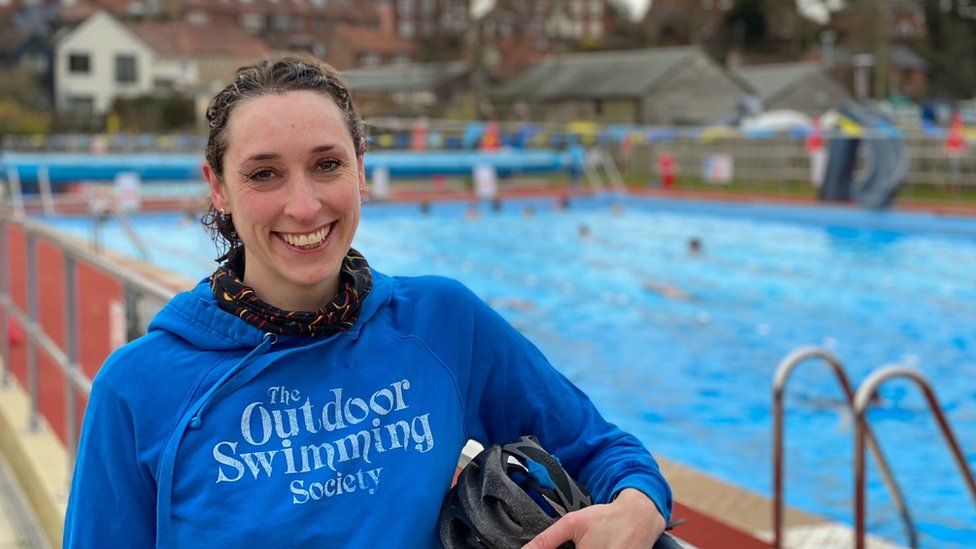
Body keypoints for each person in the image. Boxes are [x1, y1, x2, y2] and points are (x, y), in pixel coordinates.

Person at [63, 58, 671, 548]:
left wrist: (638, 509)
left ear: (361, 170)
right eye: (264, 174)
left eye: (326, 164)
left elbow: (603, 448)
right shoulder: (138, 388)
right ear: (218, 188)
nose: (303, 207)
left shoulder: (443, 323)